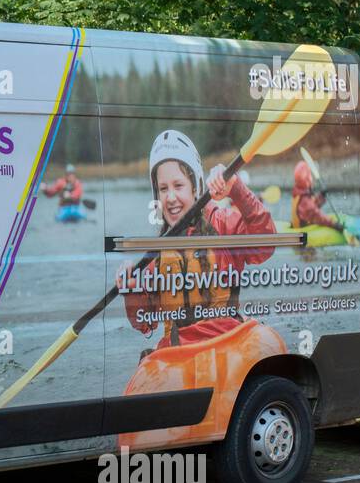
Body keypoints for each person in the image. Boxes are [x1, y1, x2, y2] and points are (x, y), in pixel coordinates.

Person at [117, 130, 276, 348]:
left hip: (226, 343)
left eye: (178, 185)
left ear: (195, 186)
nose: (170, 197)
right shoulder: (157, 255)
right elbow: (145, 323)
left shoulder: (221, 224)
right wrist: (132, 290)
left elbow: (265, 245)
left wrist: (236, 190)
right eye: (163, 189)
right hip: (179, 353)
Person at [289, 160, 344, 232]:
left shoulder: (298, 193)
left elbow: (311, 206)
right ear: (307, 179)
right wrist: (334, 225)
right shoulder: (304, 200)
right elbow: (317, 216)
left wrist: (321, 196)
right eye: (310, 175)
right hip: (304, 230)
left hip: (300, 225)